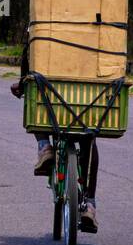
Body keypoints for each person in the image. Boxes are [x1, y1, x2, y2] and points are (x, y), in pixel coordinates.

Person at [11, 78, 100, 233]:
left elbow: (31, 58)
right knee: (89, 139)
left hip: (52, 93)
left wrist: (22, 82)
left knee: (36, 98)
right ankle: (89, 204)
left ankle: (45, 146)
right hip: (88, 98)